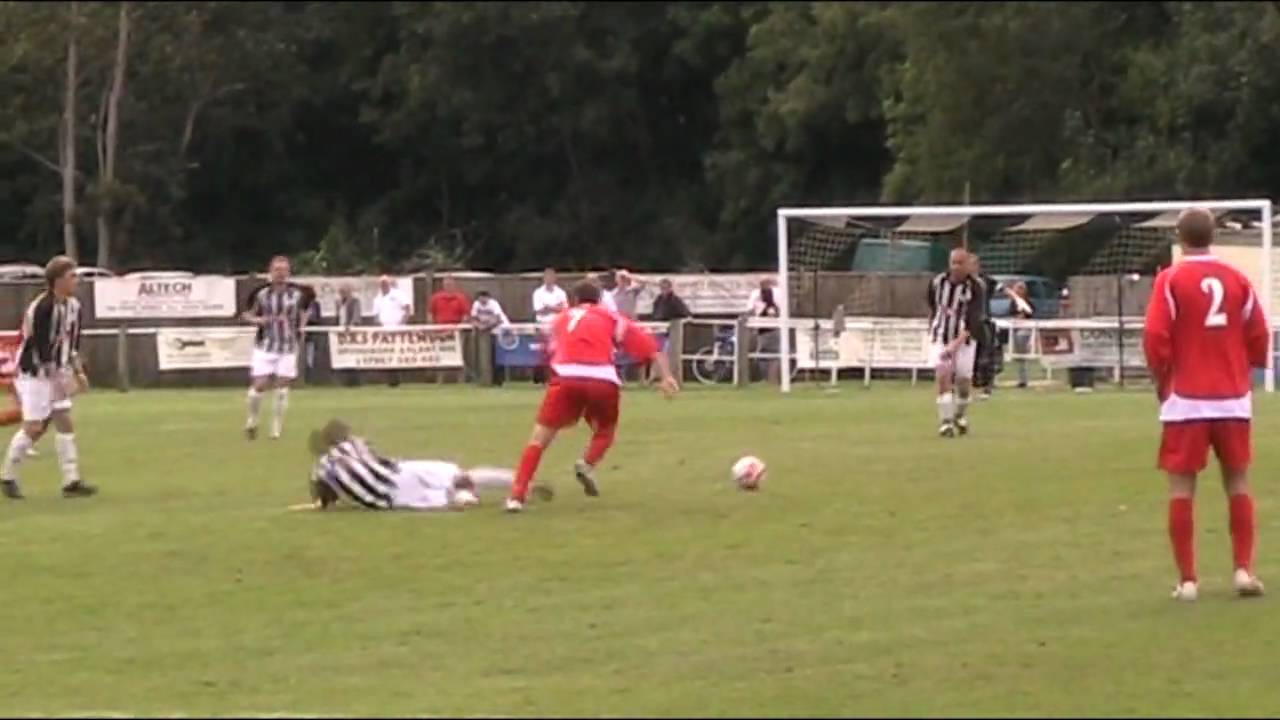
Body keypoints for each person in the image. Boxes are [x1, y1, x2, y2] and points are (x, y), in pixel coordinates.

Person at [1143, 207, 1268, 602]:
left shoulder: (1171, 278)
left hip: (1187, 400)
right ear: (1212, 235)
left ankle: (1189, 581)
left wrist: (1161, 378)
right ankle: (1244, 571)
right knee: (1238, 481)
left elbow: (1155, 334)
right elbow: (1259, 331)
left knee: (1182, 488)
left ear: (1180, 237)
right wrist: (1245, 370)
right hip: (1232, 398)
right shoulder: (1237, 280)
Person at [505, 280, 679, 513]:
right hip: (603, 379)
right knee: (605, 430)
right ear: (598, 300)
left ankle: (516, 497)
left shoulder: (562, 318)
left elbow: (548, 352)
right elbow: (652, 349)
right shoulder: (612, 317)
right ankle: (586, 463)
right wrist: (666, 377)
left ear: (573, 301)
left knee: (538, 440)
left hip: (567, 376)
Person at [304, 419, 552, 512]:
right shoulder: (355, 444)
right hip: (399, 472)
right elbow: (378, 460)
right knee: (460, 477)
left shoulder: (321, 469)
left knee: (446, 493)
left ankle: (464, 498)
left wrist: (323, 504)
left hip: (390, 497)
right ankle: (521, 484)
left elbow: (324, 498)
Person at [1, 256, 95, 500]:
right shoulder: (43, 307)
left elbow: (72, 342)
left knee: (64, 420)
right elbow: (41, 346)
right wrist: (57, 378)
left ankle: (71, 481)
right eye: (71, 276)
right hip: (35, 375)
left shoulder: (74, 306)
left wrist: (78, 371)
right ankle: (8, 476)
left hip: (57, 371)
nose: (76, 280)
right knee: (34, 427)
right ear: (57, 280)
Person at [242, 255, 315, 440]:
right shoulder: (261, 294)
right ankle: (252, 420)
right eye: (277, 270)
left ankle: (276, 427)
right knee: (259, 386)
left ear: (289, 273)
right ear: (270, 272)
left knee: (282, 387)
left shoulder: (297, 294)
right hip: (265, 346)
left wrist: (302, 326)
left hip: (288, 346)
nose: (280, 274)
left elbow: (308, 307)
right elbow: (246, 315)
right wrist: (260, 320)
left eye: (284, 270)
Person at [926, 248, 985, 438]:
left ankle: (959, 415)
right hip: (941, 337)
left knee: (963, 383)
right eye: (954, 263)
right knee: (943, 375)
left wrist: (956, 343)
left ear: (968, 265)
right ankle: (946, 422)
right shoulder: (937, 283)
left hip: (965, 341)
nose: (957, 267)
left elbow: (974, 321)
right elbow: (933, 307)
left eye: (961, 263)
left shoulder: (976, 288)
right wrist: (936, 330)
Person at [373, 275, 412, 387]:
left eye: (385, 283)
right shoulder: (378, 298)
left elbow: (408, 308)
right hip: (384, 331)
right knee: (387, 355)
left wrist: (402, 323)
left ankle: (398, 379)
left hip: (398, 330)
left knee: (399, 355)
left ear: (389, 283)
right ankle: (390, 381)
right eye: (381, 283)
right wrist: (379, 326)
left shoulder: (398, 294)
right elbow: (376, 315)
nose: (383, 285)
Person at [532, 269, 568, 384]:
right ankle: (544, 379)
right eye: (547, 277)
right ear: (544, 278)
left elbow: (564, 309)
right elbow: (539, 311)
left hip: (558, 327)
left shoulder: (561, 292)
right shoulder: (538, 293)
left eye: (551, 276)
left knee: (557, 353)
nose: (549, 279)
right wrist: (555, 307)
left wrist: (549, 307)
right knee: (544, 354)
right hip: (542, 326)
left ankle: (557, 377)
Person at [469, 290, 512, 387]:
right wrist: (479, 325)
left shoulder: (494, 304)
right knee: (486, 357)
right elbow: (473, 318)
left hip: (500, 330)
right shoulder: (476, 304)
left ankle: (498, 381)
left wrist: (484, 327)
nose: (482, 300)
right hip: (487, 331)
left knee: (497, 356)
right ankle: (486, 380)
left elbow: (498, 319)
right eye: (480, 298)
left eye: (484, 297)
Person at [1008, 281, 1036, 389]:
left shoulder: (1028, 302)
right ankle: (1021, 379)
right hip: (1015, 329)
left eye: (1020, 288)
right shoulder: (1013, 303)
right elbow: (1011, 314)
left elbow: (1030, 314)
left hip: (1025, 330)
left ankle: (1023, 379)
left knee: (1023, 356)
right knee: (1018, 357)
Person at [335, 283, 362, 387]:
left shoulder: (355, 301)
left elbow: (356, 315)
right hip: (340, 332)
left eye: (344, 292)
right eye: (341, 292)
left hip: (351, 332)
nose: (342, 294)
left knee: (353, 356)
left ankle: (354, 381)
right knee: (342, 356)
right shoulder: (338, 302)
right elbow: (337, 315)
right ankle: (345, 380)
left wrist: (351, 325)